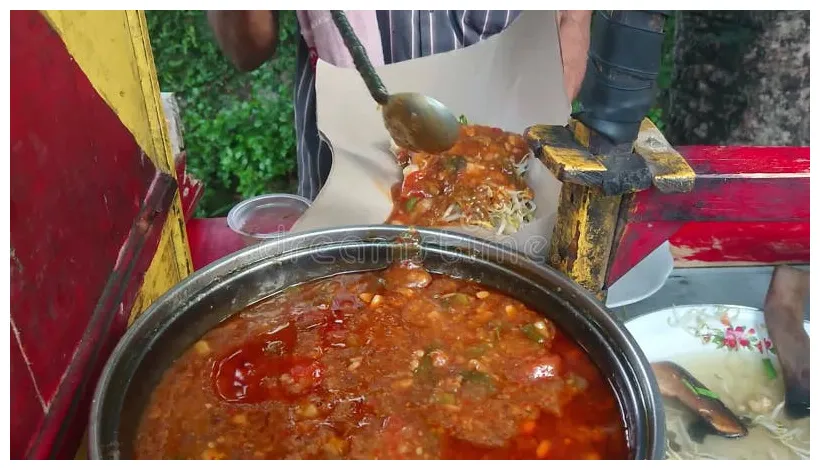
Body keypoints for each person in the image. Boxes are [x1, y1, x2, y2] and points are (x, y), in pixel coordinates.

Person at [208, 10, 592, 201]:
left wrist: (504, 172)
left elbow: (570, 22)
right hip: (345, 181)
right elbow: (246, 50)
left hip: (509, 178)